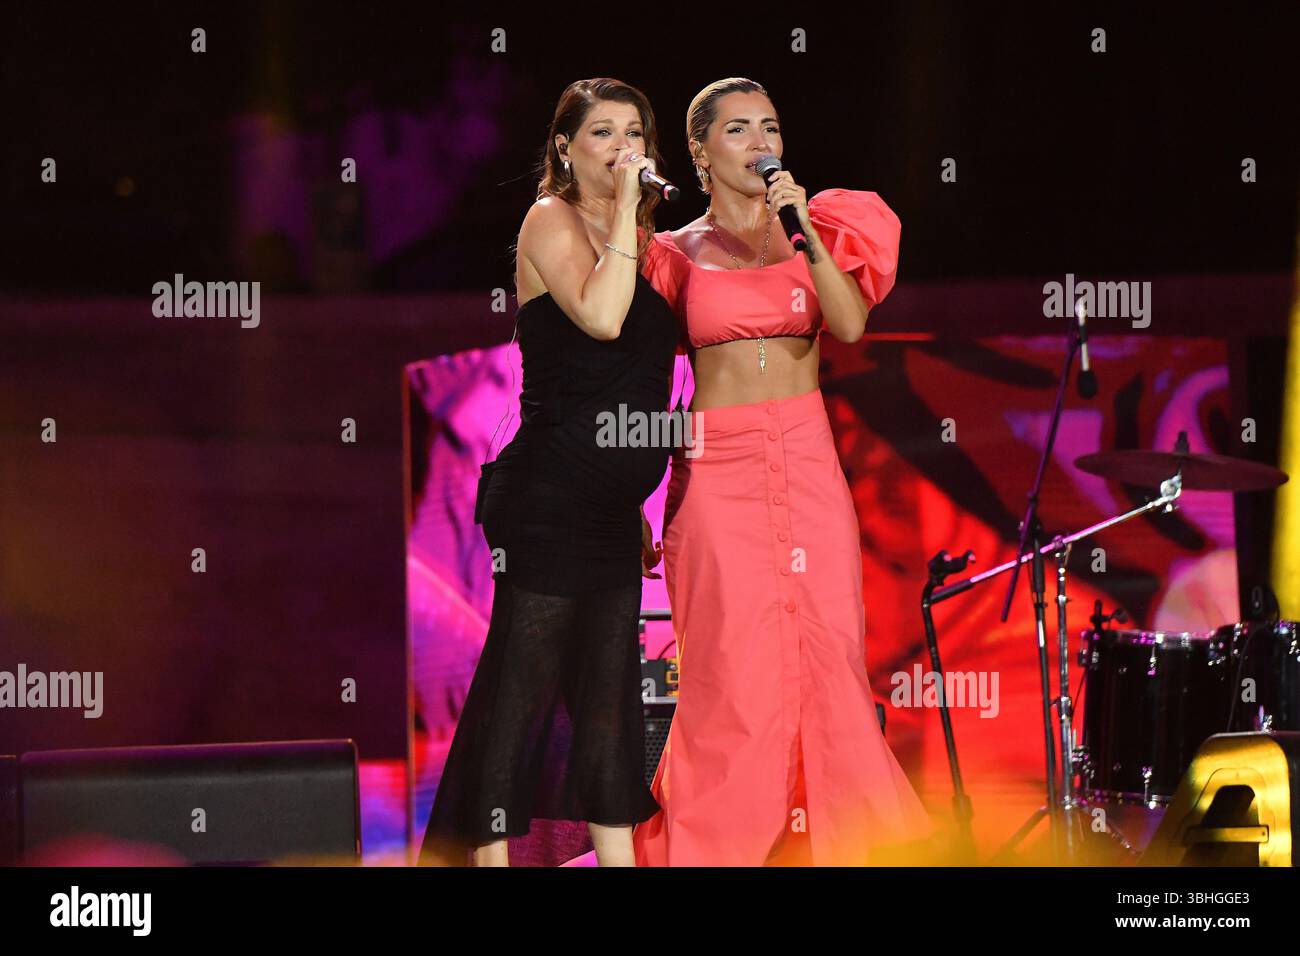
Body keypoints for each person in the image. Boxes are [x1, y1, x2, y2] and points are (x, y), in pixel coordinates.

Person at [634, 77, 935, 865]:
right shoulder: (668, 255)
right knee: (728, 663)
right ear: (700, 152)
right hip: (715, 467)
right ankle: (721, 845)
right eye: (737, 130)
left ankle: (842, 846)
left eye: (769, 126)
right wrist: (627, 489)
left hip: (806, 457)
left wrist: (801, 228)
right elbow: (629, 378)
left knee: (827, 650)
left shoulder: (822, 226)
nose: (759, 142)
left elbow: (848, 322)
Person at [419, 78, 679, 867]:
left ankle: (618, 860)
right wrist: (630, 216)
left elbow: (629, 383)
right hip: (546, 494)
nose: (625, 147)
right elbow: (600, 319)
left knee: (609, 696)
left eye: (635, 132)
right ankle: (491, 861)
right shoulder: (550, 219)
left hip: (602, 507)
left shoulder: (638, 240)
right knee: (523, 688)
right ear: (565, 148)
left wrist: (630, 500)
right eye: (604, 133)